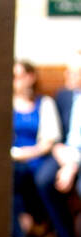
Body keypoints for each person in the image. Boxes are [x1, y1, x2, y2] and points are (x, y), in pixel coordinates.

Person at [10, 59, 77, 237]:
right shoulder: (6, 104)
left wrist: (26, 153)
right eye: (12, 77)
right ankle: (21, 233)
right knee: (9, 176)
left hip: (38, 157)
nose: (16, 81)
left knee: (43, 179)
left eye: (19, 76)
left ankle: (56, 236)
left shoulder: (44, 103)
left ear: (30, 77)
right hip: (13, 160)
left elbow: (50, 139)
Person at [54, 51, 81, 201]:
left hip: (77, 154)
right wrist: (58, 149)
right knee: (43, 179)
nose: (67, 76)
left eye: (73, 73)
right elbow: (57, 132)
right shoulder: (63, 95)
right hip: (65, 151)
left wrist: (72, 165)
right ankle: (62, 225)